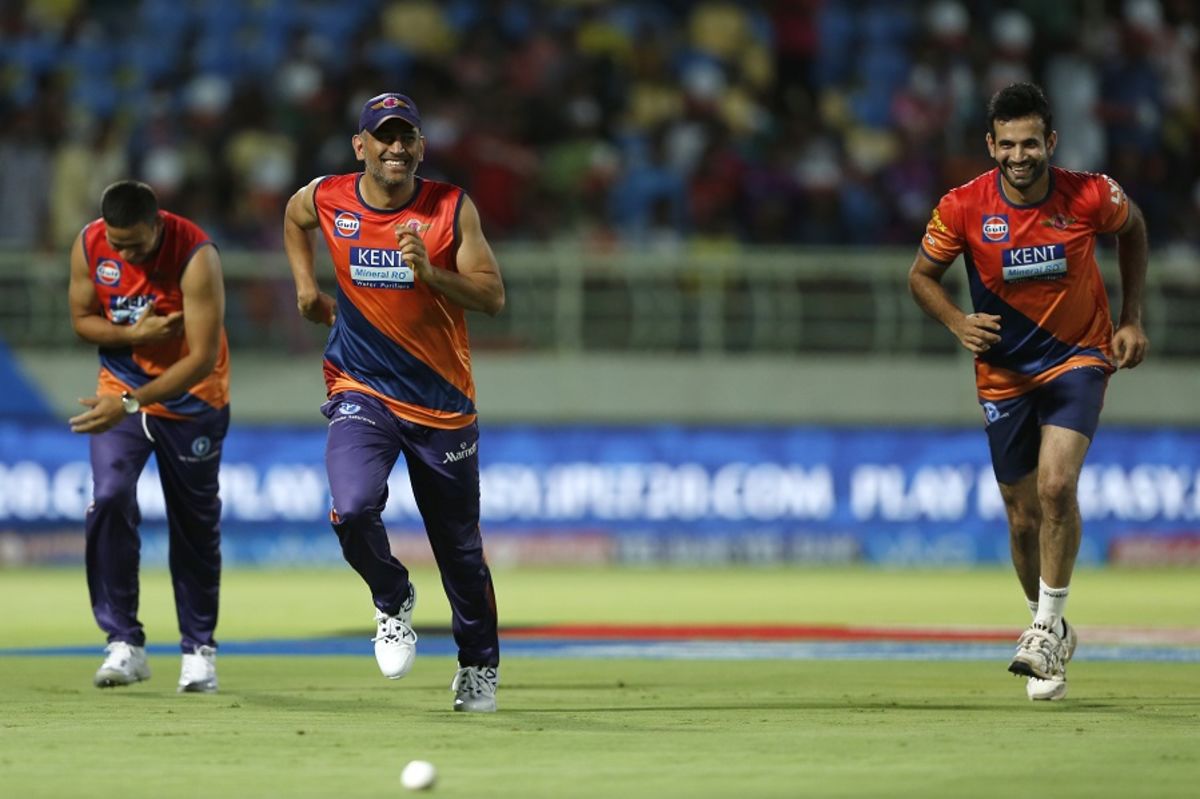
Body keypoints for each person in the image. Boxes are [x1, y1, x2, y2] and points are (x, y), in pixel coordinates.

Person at [909, 83, 1149, 701]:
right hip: (1003, 374)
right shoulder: (962, 207)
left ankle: (1042, 630)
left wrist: (1131, 317)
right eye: (1007, 144)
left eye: (1031, 143)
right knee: (1021, 518)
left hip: (1079, 357)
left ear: (1051, 142)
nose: (1020, 155)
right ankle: (1052, 624)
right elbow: (921, 277)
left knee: (1055, 487)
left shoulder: (1091, 193)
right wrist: (957, 321)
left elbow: (1135, 228)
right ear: (991, 145)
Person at [282, 92, 505, 712]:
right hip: (361, 388)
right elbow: (294, 215)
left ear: (420, 147)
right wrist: (306, 287)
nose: (396, 148)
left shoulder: (449, 208)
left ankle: (478, 666)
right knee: (352, 508)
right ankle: (392, 598)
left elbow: (491, 297)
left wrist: (433, 276)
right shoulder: (329, 197)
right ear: (361, 147)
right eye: (384, 137)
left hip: (442, 405)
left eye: (406, 137)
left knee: (459, 550)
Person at [67, 180, 231, 693]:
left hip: (192, 402)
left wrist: (134, 402)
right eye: (117, 243)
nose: (123, 253)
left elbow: (200, 357)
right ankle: (124, 644)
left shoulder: (197, 256)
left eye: (134, 244)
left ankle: (198, 650)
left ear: (157, 225)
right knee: (110, 498)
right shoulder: (90, 243)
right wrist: (131, 337)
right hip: (120, 392)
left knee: (194, 525)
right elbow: (82, 318)